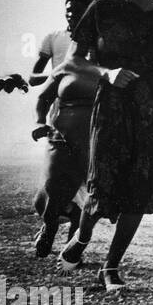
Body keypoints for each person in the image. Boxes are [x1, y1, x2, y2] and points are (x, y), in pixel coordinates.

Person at [59, 0, 153, 292]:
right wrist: (107, 73)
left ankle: (111, 266)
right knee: (102, 178)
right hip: (111, 104)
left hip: (149, 107)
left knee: (141, 186)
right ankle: (83, 237)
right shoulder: (103, 8)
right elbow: (73, 62)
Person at [30, 65, 99, 256]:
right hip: (62, 138)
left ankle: (72, 245)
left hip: (95, 140)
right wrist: (39, 121)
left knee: (86, 194)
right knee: (53, 189)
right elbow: (43, 98)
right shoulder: (66, 68)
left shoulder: (113, 66)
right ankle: (49, 228)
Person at [31, 0, 94, 86]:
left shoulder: (100, 39)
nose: (71, 14)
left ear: (89, 12)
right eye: (69, 10)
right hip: (60, 98)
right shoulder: (53, 37)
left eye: (78, 10)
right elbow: (33, 79)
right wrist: (59, 74)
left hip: (91, 98)